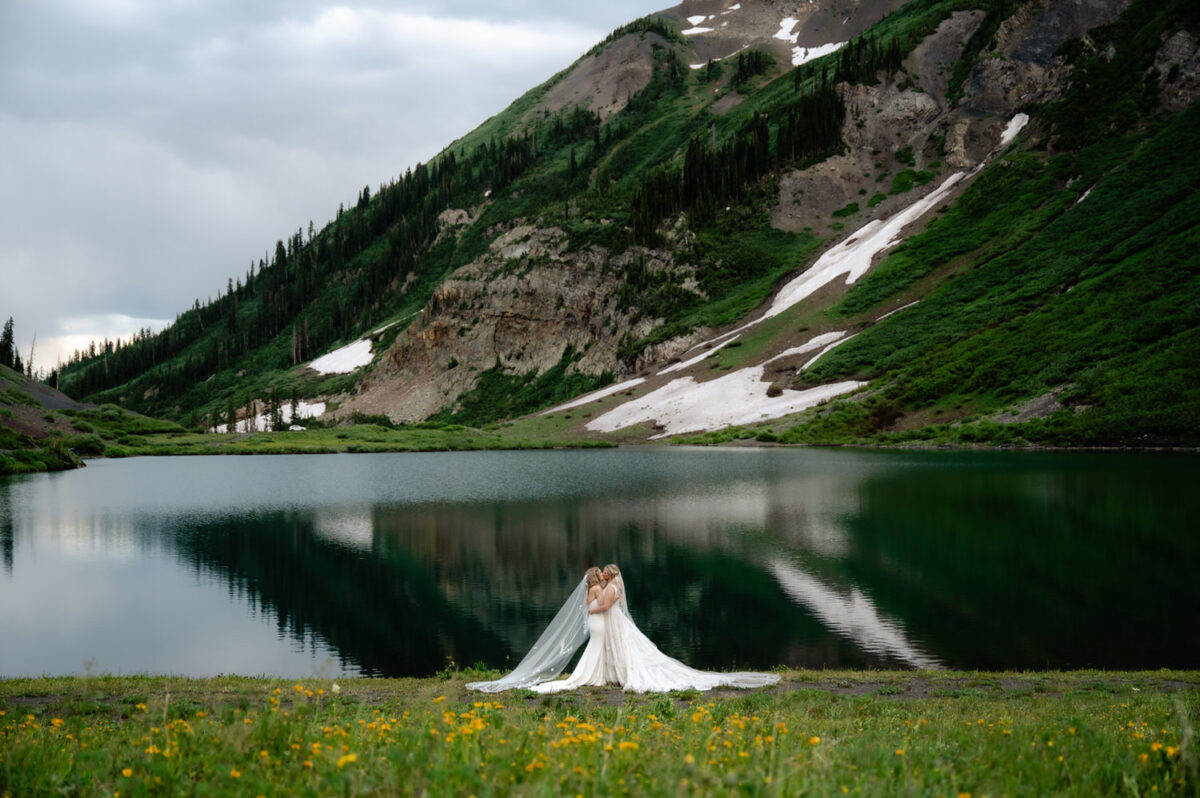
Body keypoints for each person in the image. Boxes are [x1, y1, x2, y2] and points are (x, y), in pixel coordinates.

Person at [590, 564, 780, 693]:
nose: (603, 573)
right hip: (616, 619)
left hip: (614, 619)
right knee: (619, 646)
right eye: (602, 572)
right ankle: (615, 674)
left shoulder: (612, 587)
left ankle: (619, 675)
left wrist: (592, 610)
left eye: (605, 571)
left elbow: (606, 607)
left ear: (611, 574)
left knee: (618, 646)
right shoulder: (615, 587)